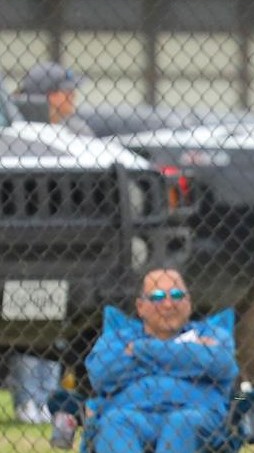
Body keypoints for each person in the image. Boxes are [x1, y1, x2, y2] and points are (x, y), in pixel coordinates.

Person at [5, 62, 93, 424]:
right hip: (25, 242)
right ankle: (29, 399)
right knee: (28, 309)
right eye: (63, 92)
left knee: (56, 319)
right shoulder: (17, 131)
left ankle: (48, 399)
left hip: (69, 242)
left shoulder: (75, 130)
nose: (70, 98)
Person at [84, 268, 238, 453]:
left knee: (180, 422)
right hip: (132, 414)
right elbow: (102, 374)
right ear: (140, 307)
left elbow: (222, 365)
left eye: (177, 295)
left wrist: (141, 351)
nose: (168, 304)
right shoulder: (117, 338)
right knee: (113, 422)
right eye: (157, 296)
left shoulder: (211, 333)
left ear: (188, 302)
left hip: (195, 414)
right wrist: (187, 356)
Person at [14, 61, 95, 136]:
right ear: (49, 95)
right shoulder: (21, 128)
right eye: (68, 90)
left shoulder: (75, 127)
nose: (73, 95)